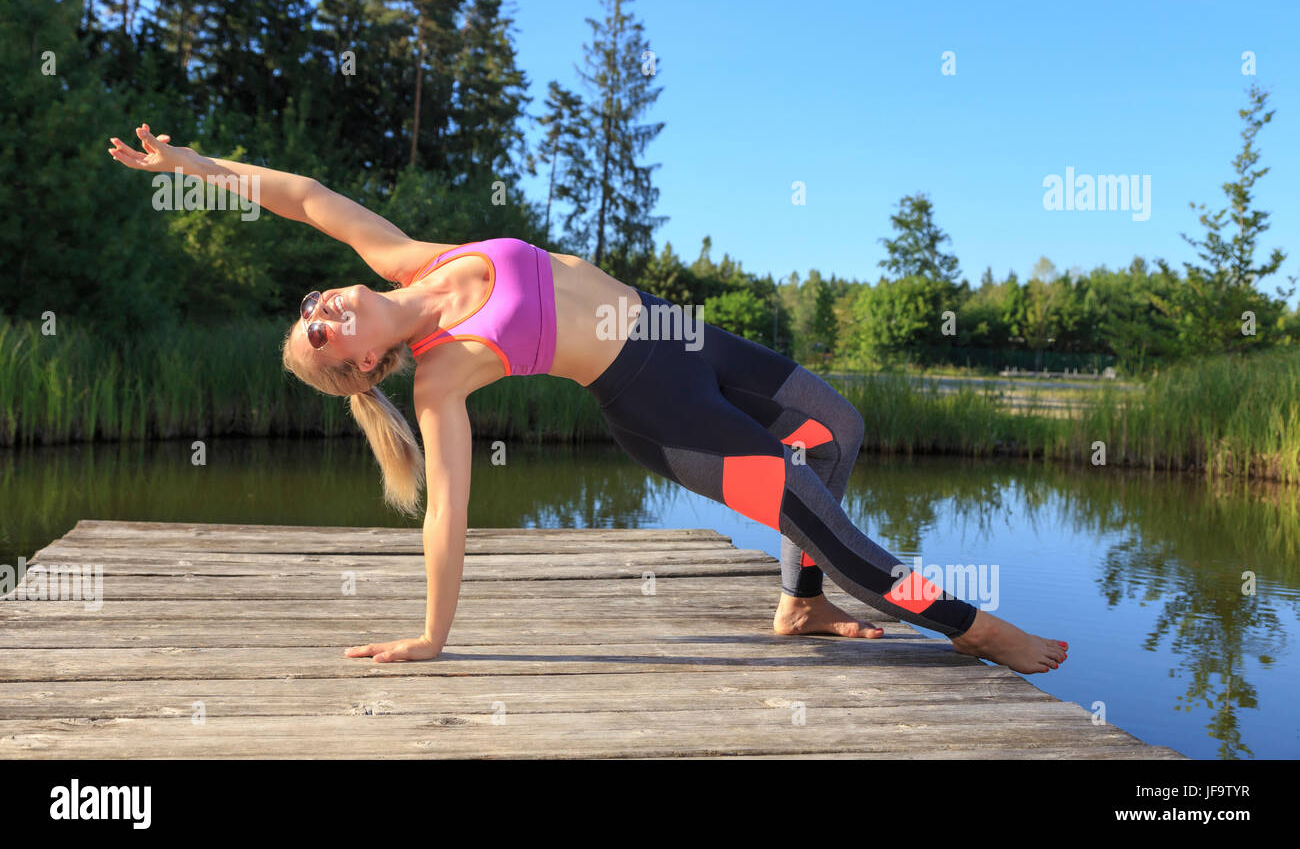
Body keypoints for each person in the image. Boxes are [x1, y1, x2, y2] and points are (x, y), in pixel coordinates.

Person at [108, 125, 1069, 674]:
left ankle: (800, 606)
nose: (321, 310)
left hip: (680, 334)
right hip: (660, 408)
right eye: (320, 335)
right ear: (362, 369)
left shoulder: (406, 258)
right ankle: (973, 628)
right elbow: (447, 511)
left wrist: (196, 171)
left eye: (310, 307)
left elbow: (305, 195)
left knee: (839, 428)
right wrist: (433, 636)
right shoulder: (442, 375)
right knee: (814, 511)